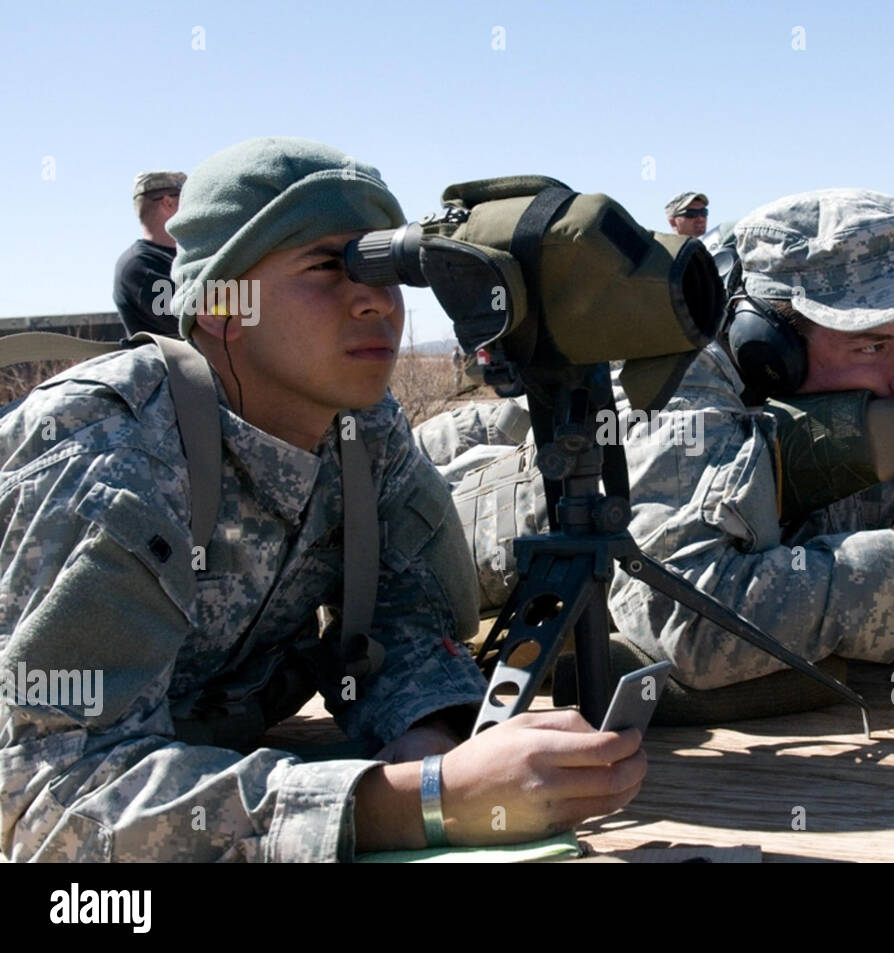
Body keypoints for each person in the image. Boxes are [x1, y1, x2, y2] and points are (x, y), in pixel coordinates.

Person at [0, 137, 644, 863]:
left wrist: (427, 739)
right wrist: (417, 802)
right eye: (325, 269)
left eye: (383, 268)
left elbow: (403, 621)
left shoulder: (363, 429)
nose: (374, 299)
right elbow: (39, 797)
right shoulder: (110, 451)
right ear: (220, 307)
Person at [604, 190, 894, 690]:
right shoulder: (674, 392)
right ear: (770, 346)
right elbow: (688, 629)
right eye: (871, 345)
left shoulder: (857, 411)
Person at [112, 171, 187, 337]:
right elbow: (208, 318)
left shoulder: (181, 258)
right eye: (187, 200)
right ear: (168, 203)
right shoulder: (139, 266)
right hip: (174, 362)